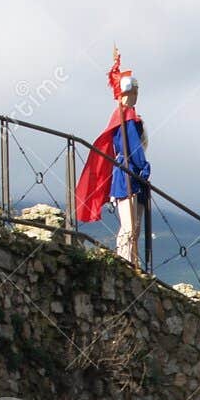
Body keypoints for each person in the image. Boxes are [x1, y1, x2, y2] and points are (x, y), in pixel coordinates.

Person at [77, 50, 151, 267]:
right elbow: (133, 147)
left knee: (134, 225)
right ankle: (126, 260)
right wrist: (143, 168)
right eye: (132, 91)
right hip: (127, 172)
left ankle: (130, 259)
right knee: (129, 224)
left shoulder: (129, 117)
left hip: (132, 172)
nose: (135, 95)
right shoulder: (125, 118)